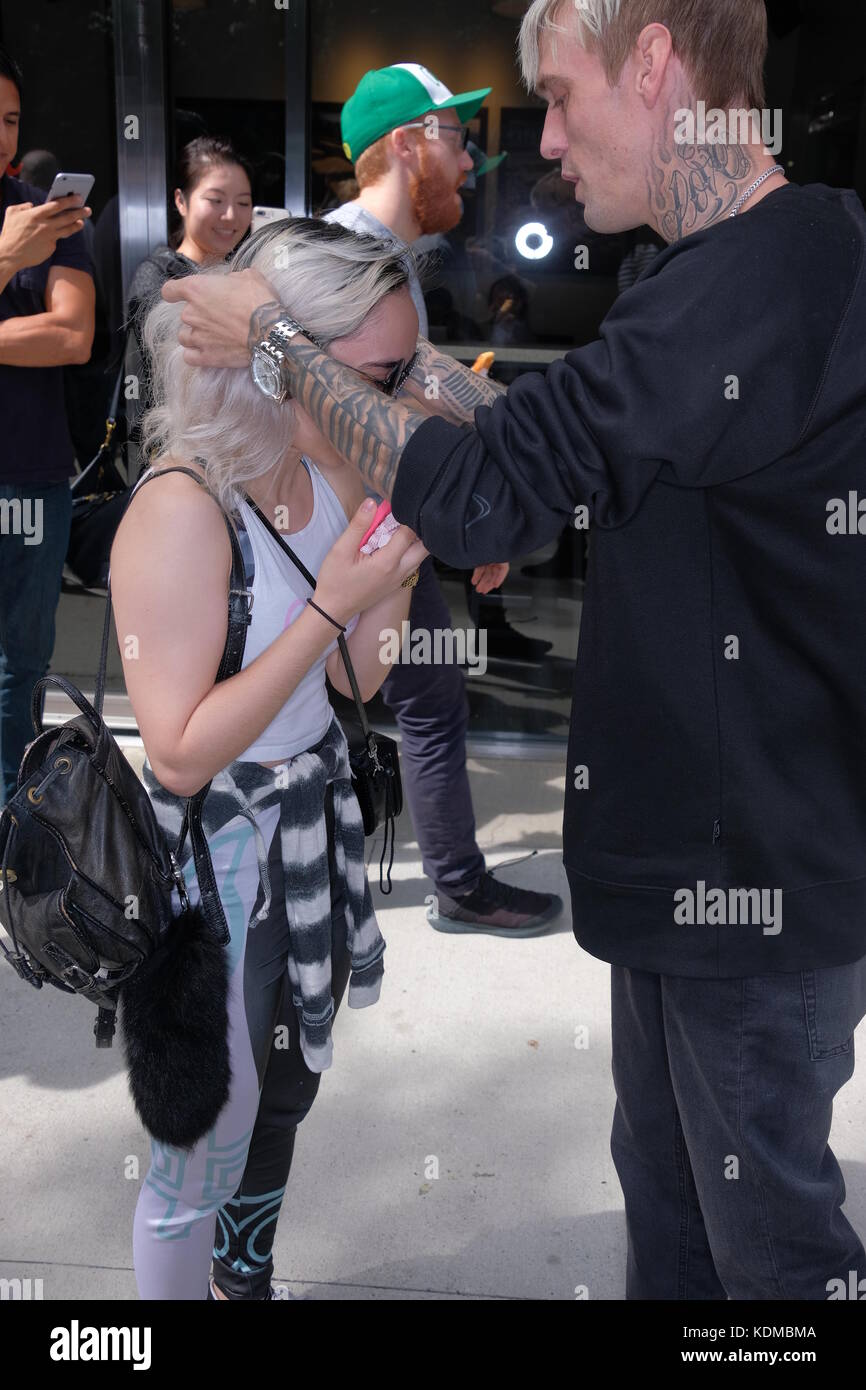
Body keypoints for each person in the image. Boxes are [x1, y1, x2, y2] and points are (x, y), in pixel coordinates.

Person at [164, 0, 866, 1301]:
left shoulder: (775, 271)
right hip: (683, 858)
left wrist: (275, 348)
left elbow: (489, 498)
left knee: (766, 1252)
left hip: (753, 876)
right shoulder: (688, 270)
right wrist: (419, 380)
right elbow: (582, 454)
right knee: (670, 1216)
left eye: (557, 93)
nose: (543, 138)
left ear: (652, 65)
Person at [111, 217, 427, 1301]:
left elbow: (356, 687)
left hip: (308, 835)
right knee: (200, 1133)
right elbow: (181, 752)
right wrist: (336, 601)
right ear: (283, 357)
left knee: (284, 1089)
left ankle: (242, 1278)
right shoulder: (181, 505)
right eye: (377, 375)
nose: (388, 400)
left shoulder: (319, 471)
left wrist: (389, 576)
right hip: (212, 869)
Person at [325, 63, 562, 937]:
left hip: (382, 531)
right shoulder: (347, 257)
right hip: (345, 537)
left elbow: (423, 382)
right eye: (456, 138)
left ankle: (447, 882)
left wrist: (490, 478)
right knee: (370, 702)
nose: (469, 163)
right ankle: (431, 885)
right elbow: (383, 414)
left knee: (424, 698)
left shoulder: (379, 256)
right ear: (404, 145)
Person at [0, 48, 94, 806]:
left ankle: (11, 825)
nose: (1, 135)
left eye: (10, 120)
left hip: (32, 473)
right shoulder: (22, 236)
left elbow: (73, 336)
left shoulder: (50, 216)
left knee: (20, 664)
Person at [125, 136, 253, 434]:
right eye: (216, 200)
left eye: (243, 202)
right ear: (181, 200)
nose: (231, 215)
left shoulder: (247, 275)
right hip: (180, 451)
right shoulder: (157, 277)